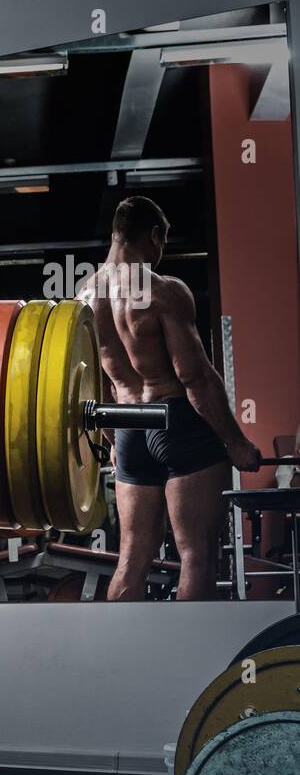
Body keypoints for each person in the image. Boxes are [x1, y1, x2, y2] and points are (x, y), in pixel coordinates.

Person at [78, 196, 261, 601]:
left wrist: (113, 442)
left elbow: (90, 383)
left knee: (132, 555)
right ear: (154, 235)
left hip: (128, 424)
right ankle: (193, 665)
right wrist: (235, 442)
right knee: (196, 555)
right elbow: (194, 377)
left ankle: (122, 661)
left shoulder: (85, 297)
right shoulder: (164, 291)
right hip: (175, 418)